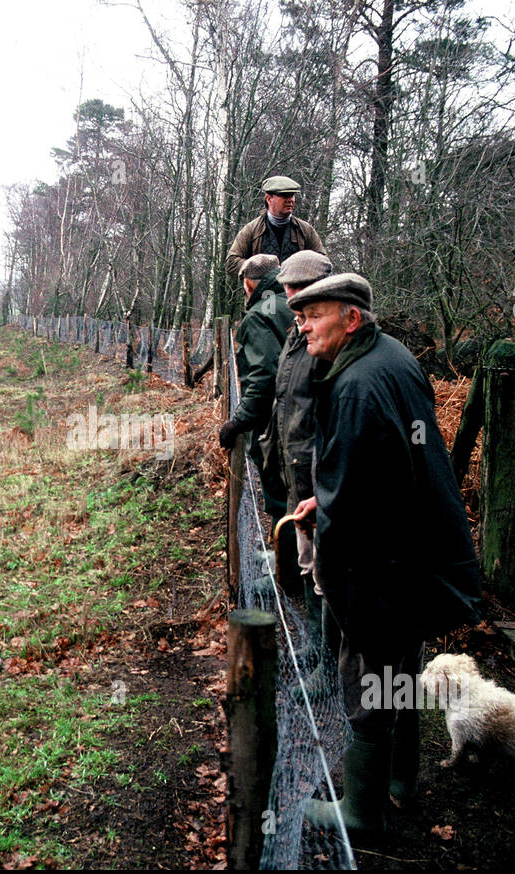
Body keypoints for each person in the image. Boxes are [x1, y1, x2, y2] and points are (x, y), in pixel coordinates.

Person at [289, 272, 483, 834]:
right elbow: (387, 464)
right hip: (415, 553)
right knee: (403, 666)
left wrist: (333, 559)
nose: (303, 325)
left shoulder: (353, 386)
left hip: (379, 566)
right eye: (300, 315)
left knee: (367, 679)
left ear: (351, 318)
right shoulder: (393, 355)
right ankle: (401, 783)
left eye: (314, 314)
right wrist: (321, 506)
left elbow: (353, 499)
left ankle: (359, 812)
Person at [262, 250, 333, 634]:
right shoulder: (297, 333)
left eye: (297, 288)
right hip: (294, 463)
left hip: (315, 466)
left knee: (323, 564)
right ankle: (313, 643)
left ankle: (326, 662)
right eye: (287, 287)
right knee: (307, 557)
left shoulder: (325, 341)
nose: (289, 295)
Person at [217, 254, 292, 518]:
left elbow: (263, 381)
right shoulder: (299, 305)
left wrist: (236, 423)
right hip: (308, 422)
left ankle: (284, 556)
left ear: (249, 285)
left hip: (276, 428)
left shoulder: (259, 317)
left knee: (282, 504)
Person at [224, 176, 327, 286]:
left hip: (296, 297)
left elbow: (324, 263)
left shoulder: (305, 230)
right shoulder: (251, 230)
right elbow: (231, 263)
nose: (290, 200)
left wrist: (300, 268)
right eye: (284, 195)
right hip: (262, 298)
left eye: (292, 195)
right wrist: (259, 267)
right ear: (268, 199)